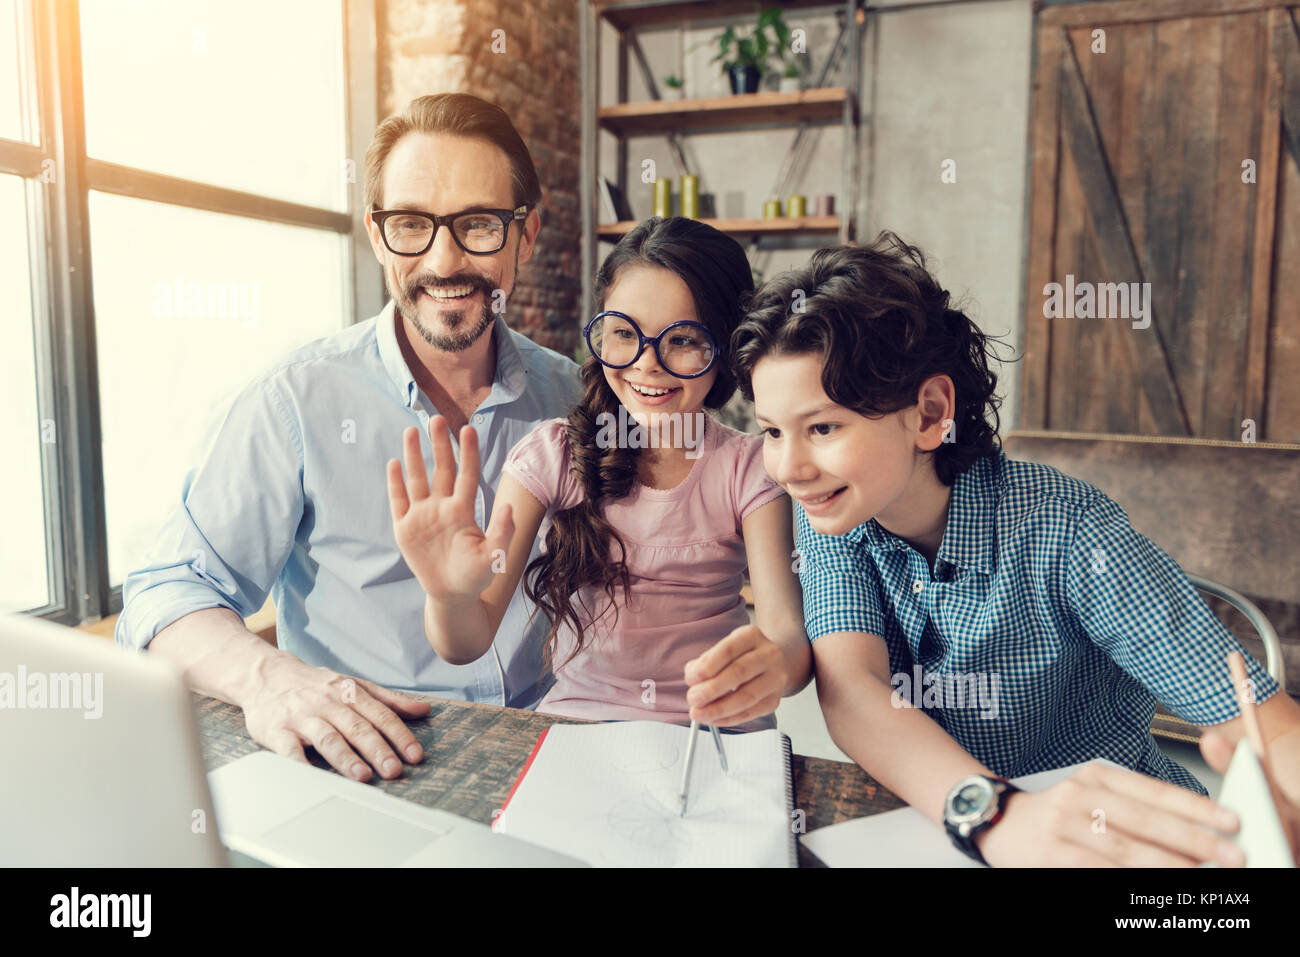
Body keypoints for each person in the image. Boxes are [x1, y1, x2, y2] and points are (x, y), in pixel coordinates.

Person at [731, 231, 1300, 865]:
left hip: (1119, 844)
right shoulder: (833, 510)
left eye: (824, 428)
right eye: (773, 432)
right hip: (952, 827)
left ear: (928, 412)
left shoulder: (1068, 529)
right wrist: (991, 813)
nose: (789, 467)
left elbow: (1265, 725)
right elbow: (854, 691)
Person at [116, 93, 581, 782]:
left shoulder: (574, 400)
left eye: (478, 224)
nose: (444, 259)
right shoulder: (292, 402)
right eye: (411, 224)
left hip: (553, 755)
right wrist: (268, 677)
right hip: (369, 762)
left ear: (527, 234)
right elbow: (164, 595)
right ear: (375, 232)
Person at [387, 217, 810, 728]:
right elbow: (467, 642)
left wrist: (773, 668)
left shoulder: (750, 469)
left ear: (724, 348)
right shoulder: (550, 458)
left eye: (682, 340)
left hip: (717, 736)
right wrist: (449, 597)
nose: (647, 364)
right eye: (624, 334)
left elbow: (788, 638)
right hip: (580, 730)